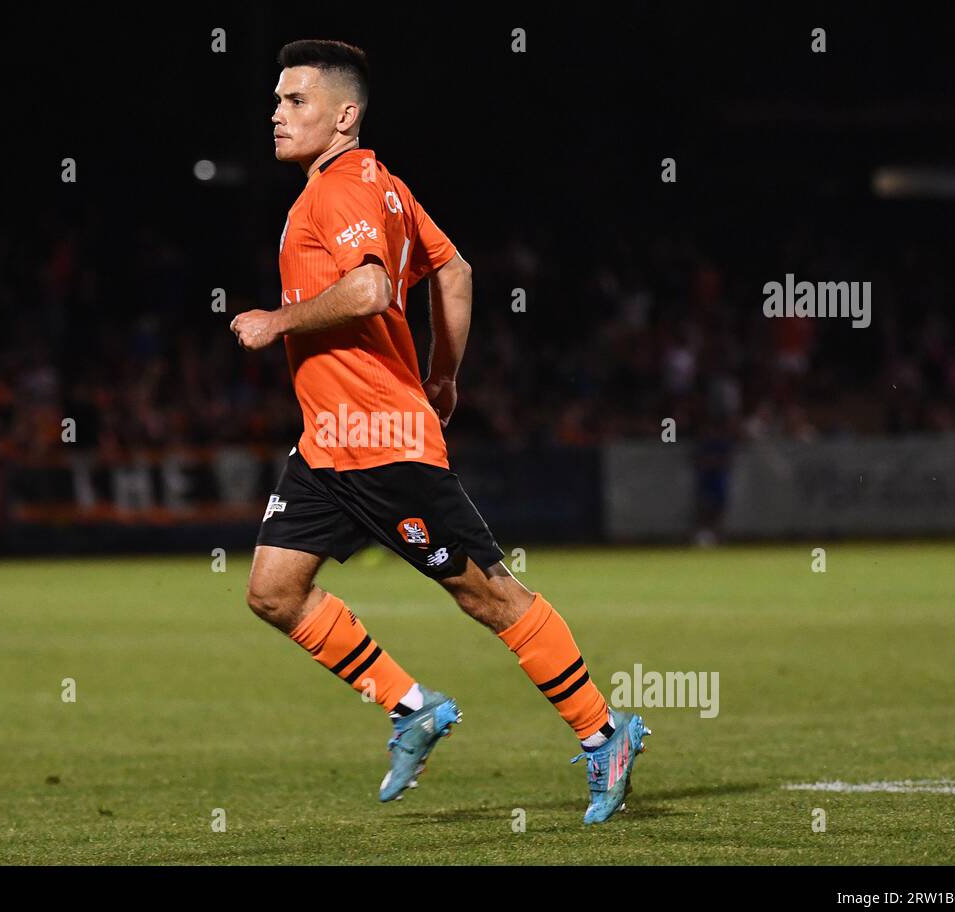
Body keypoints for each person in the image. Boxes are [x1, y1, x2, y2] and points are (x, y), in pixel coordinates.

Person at [230, 39, 650, 824]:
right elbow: (452, 271)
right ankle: (412, 708)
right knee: (274, 591)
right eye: (277, 99)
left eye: (296, 101)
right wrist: (446, 374)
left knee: (489, 596)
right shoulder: (383, 187)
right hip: (329, 445)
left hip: (383, 446)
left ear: (344, 116)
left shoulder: (343, 189)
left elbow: (369, 288)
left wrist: (274, 322)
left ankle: (605, 734)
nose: (277, 114)